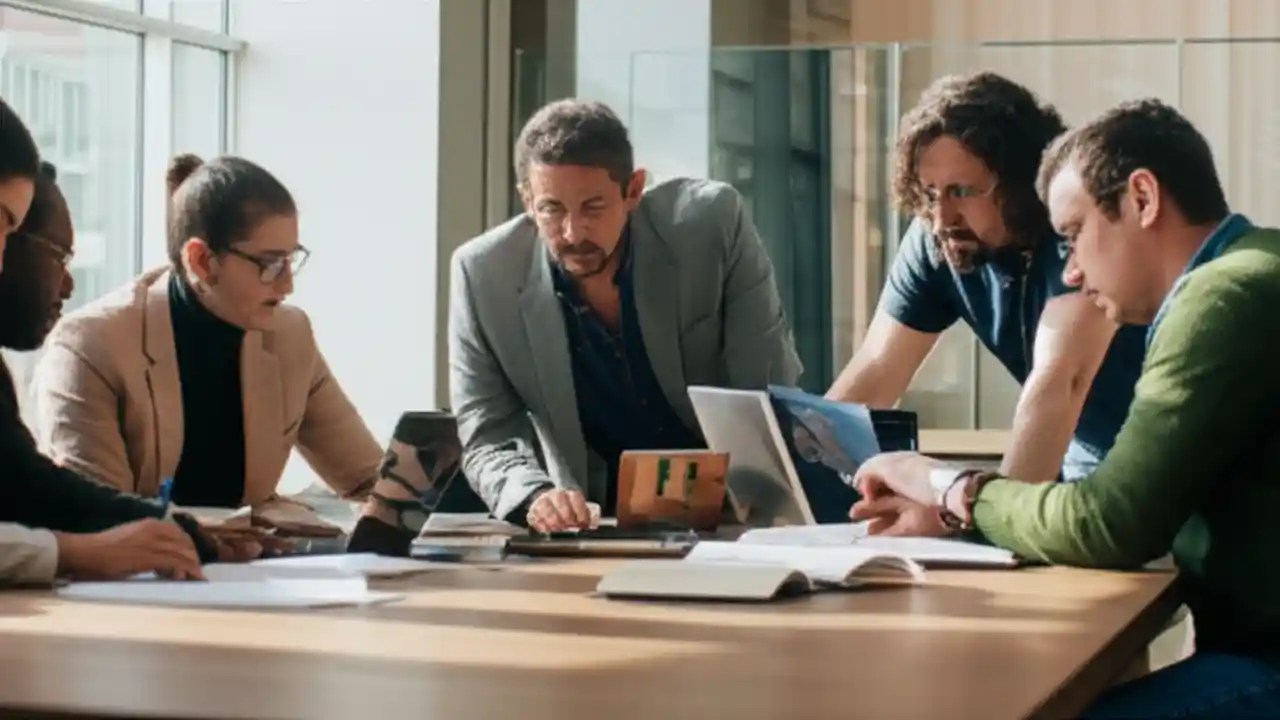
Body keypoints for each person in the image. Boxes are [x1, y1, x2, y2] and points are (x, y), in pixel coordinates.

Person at [849, 99, 1280, 718]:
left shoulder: (1222, 298)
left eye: (1075, 235)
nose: (1072, 271)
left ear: (1143, 199)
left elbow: (1112, 524)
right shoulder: (1246, 271)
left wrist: (950, 487)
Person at [450, 98, 802, 532]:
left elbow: (767, 392)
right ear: (527, 200)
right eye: (552, 209)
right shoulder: (484, 274)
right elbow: (485, 437)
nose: (572, 233)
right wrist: (537, 497)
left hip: (735, 517)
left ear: (633, 190)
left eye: (593, 208)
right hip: (593, 527)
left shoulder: (710, 227)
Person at [31, 154, 389, 530]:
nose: (287, 284)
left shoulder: (289, 334)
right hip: (139, 579)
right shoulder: (89, 346)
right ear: (201, 261)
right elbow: (102, 519)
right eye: (269, 265)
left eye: (291, 261)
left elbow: (369, 480)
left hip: (252, 578)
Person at [826, 72, 1146, 483]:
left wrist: (994, 518)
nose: (942, 218)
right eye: (928, 192)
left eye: (961, 191)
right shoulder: (937, 237)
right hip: (1080, 472)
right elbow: (875, 373)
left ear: (1019, 183)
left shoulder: (1079, 233)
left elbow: (1060, 385)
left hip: (1167, 479)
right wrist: (790, 476)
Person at [0, 150, 241, 584]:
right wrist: (73, 553)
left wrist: (168, 527)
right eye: (59, 257)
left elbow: (20, 484)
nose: (69, 284)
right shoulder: (93, 340)